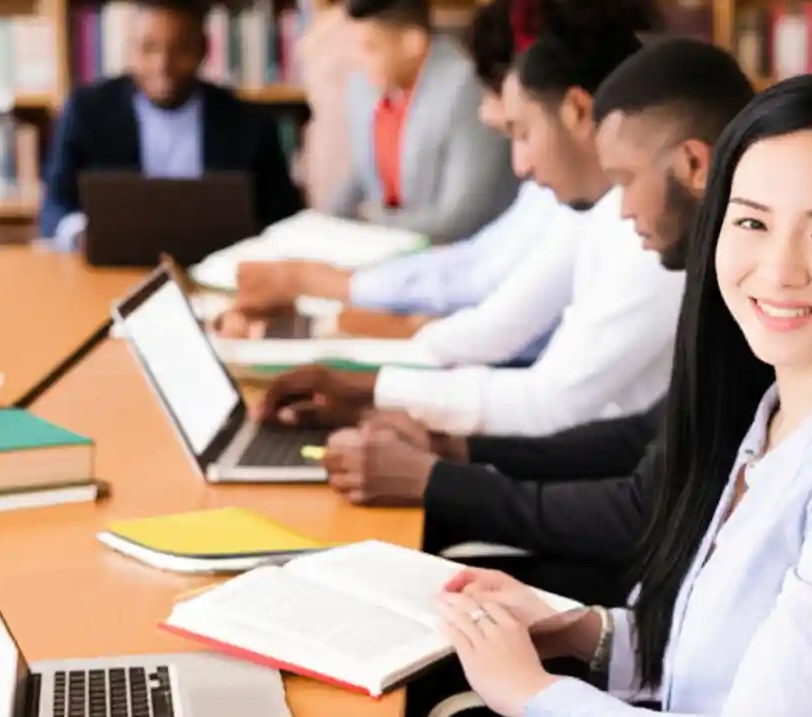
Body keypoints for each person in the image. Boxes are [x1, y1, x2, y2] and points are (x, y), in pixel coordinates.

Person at [429, 71, 812, 717]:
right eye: (752, 222)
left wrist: (529, 692)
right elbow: (730, 650)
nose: (779, 270)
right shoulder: (780, 409)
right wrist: (583, 631)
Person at [314, 39, 759, 607]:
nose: (621, 210)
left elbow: (640, 506)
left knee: (395, 594)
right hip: (639, 576)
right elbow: (646, 437)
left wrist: (438, 477)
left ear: (695, 165)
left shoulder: (733, 298)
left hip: (646, 596)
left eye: (624, 181)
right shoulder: (709, 280)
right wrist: (456, 451)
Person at [256, 23, 686, 438]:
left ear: (576, 111)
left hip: (592, 463)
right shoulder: (600, 206)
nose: (519, 165)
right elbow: (498, 324)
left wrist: (374, 388)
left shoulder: (645, 228)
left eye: (522, 132)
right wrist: (370, 379)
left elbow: (551, 402)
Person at [39, 0, 302, 251]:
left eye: (180, 49)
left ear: (204, 49)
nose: (162, 64)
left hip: (216, 272)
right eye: (148, 48)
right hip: (112, 269)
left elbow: (284, 216)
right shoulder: (87, 112)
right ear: (130, 50)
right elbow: (54, 206)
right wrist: (80, 234)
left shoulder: (248, 122)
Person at [326, 0, 519, 244]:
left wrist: (367, 220)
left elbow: (458, 219)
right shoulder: (364, 86)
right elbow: (362, 175)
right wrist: (324, 222)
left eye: (370, 47)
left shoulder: (464, 89)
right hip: (384, 245)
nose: (357, 60)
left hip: (458, 252)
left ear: (412, 43)